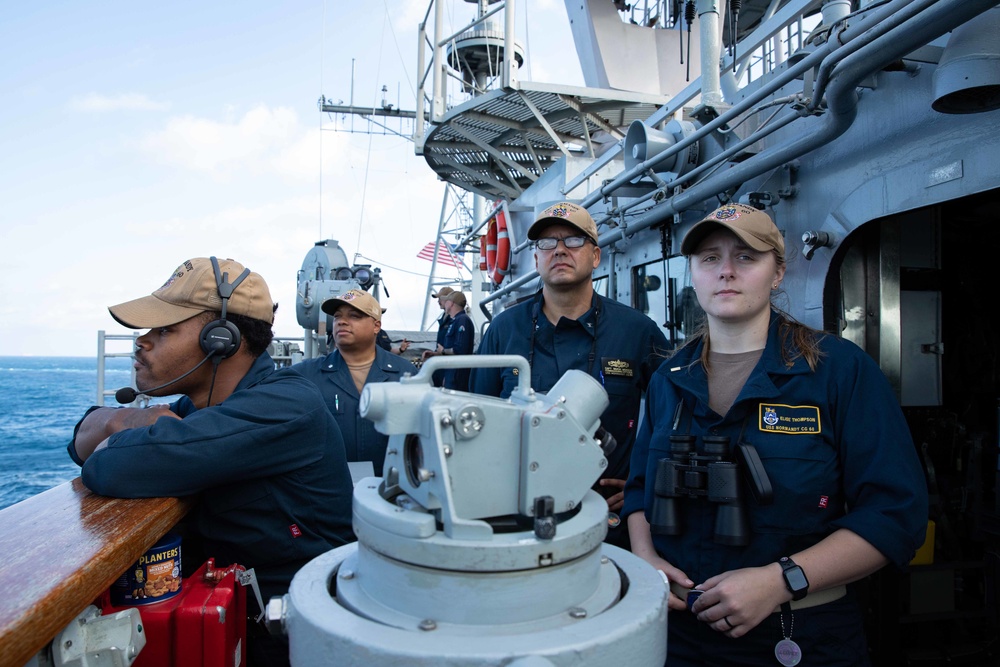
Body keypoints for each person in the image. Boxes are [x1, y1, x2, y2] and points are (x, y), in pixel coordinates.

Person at [623, 203, 929, 665]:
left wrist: (780, 579)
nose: (726, 271)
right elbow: (640, 491)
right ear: (693, 274)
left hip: (800, 634)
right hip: (677, 635)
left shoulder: (839, 372)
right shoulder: (669, 378)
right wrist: (646, 559)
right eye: (709, 258)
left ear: (778, 272)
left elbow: (894, 513)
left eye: (746, 257)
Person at [67, 257, 355, 667]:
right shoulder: (207, 407)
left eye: (164, 330)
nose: (142, 341)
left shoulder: (284, 406)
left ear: (221, 340)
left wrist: (123, 427)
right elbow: (80, 441)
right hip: (242, 625)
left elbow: (108, 465)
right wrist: (124, 420)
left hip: (296, 642)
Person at [470, 201, 669, 550]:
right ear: (536, 259)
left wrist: (647, 482)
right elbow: (475, 420)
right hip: (516, 517)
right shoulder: (503, 330)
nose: (559, 250)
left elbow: (674, 417)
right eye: (547, 242)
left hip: (608, 523)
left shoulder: (637, 331)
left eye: (574, 240)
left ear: (596, 256)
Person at [291, 289, 417, 475]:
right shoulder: (305, 376)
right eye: (337, 316)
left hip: (391, 484)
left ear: (376, 326)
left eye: (354, 316)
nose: (341, 321)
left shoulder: (406, 375)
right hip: (329, 484)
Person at [421, 290, 475, 391]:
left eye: (446, 301)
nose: (444, 303)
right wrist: (435, 354)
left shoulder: (462, 320)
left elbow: (460, 349)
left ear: (451, 303)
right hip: (451, 372)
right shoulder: (456, 321)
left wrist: (442, 351)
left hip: (457, 375)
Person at [429, 286, 455, 386]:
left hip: (448, 367)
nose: (438, 301)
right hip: (441, 365)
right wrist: (433, 354)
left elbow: (458, 348)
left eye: (440, 298)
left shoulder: (455, 320)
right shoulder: (445, 318)